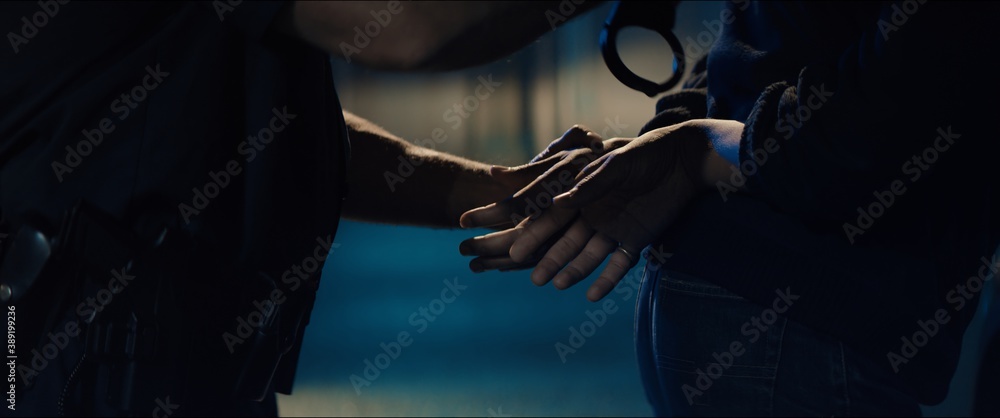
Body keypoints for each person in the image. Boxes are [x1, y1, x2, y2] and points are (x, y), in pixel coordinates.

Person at [0, 1, 603, 415]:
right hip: (76, 371)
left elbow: (253, 127)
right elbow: (408, 25)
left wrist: (486, 190)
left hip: (156, 366)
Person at [461, 1, 1000, 415]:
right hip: (806, 312)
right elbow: (870, 129)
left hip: (734, 301)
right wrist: (678, 144)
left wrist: (678, 147)